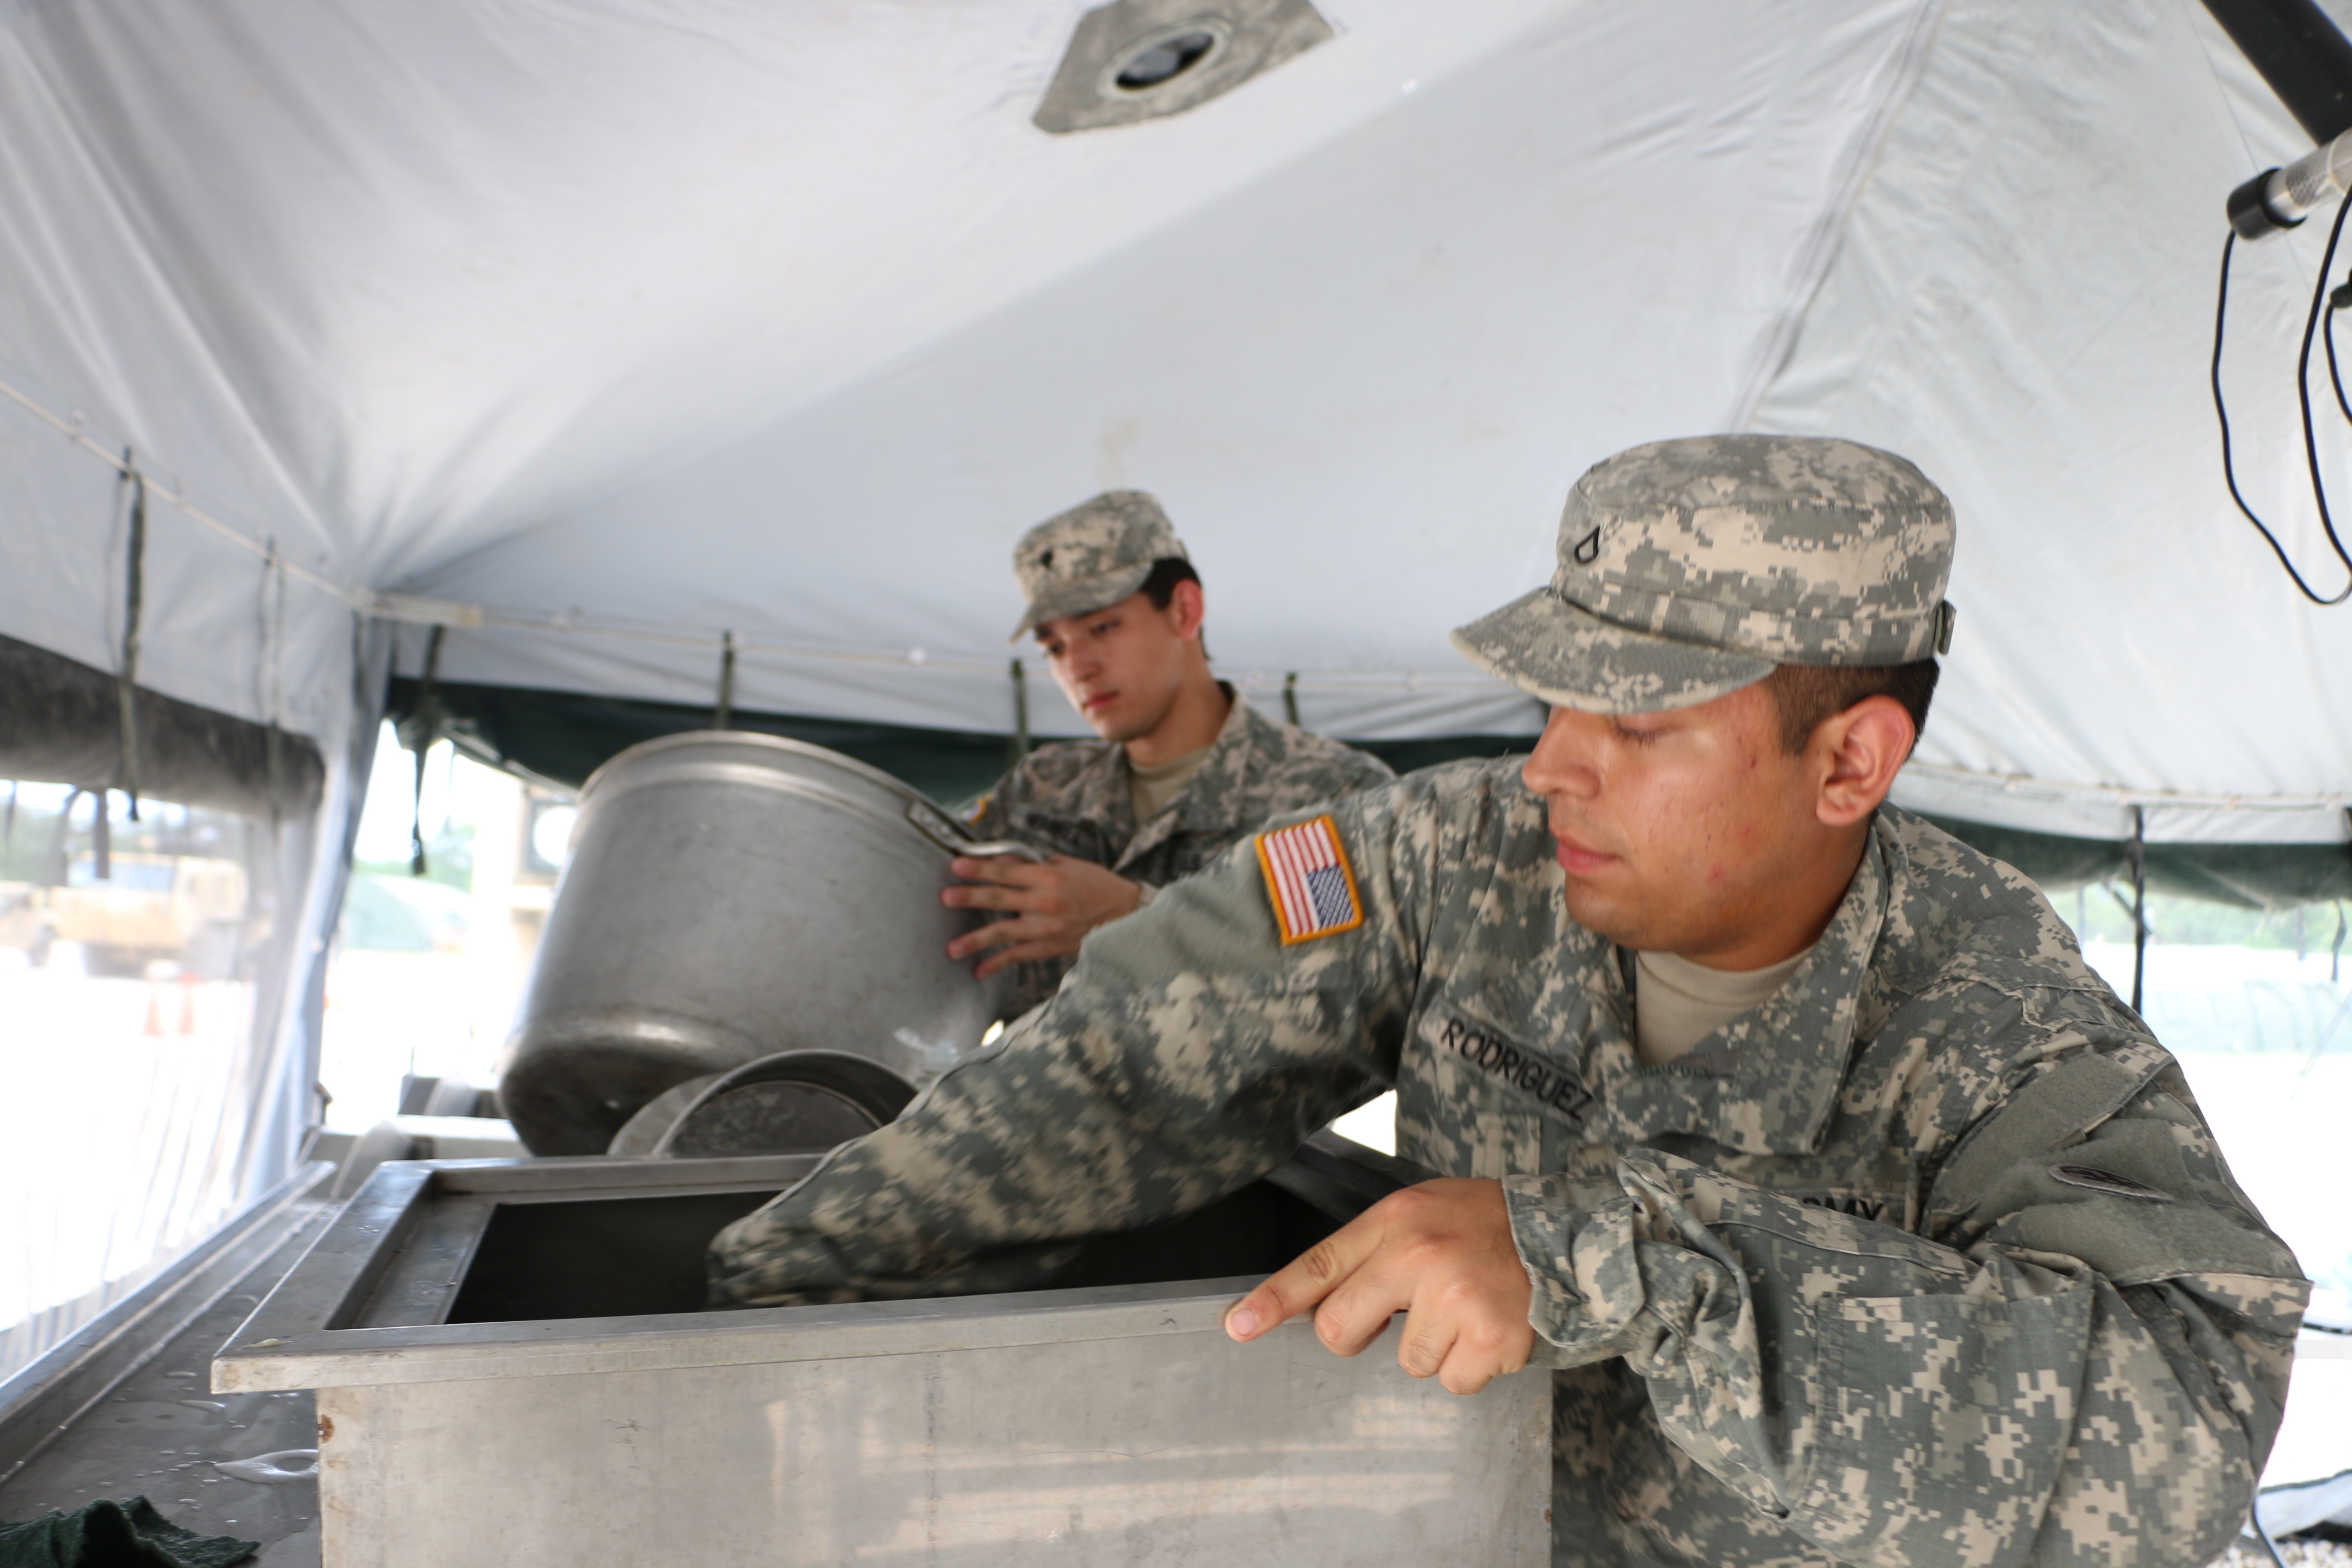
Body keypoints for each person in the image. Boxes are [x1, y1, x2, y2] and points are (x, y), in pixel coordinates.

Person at [710, 437, 2305, 1568]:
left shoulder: (1993, 1012)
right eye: (1550, 698)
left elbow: (2175, 1434)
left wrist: (1625, 1255)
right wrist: (749, 1289)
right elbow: (1134, 1038)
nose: (1549, 760)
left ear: (1848, 759)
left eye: (1634, 717)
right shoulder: (1446, 849)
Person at [946, 489, 1392, 1017]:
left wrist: (1139, 919)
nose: (1078, 667)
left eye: (1102, 627)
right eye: (1054, 648)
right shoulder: (1041, 787)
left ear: (1184, 611)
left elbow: (1354, 995)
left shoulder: (1329, 795)